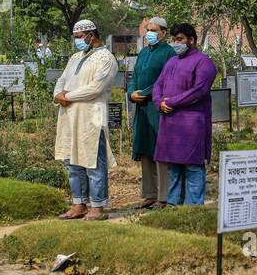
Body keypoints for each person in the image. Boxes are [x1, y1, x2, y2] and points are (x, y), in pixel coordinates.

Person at [53, 19, 118, 220]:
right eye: (76, 38)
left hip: (91, 116)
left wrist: (67, 96)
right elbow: (62, 80)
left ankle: (98, 206)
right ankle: (78, 203)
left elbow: (96, 88)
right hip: (69, 116)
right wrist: (57, 95)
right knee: (72, 161)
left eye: (80, 37)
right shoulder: (75, 57)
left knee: (93, 162)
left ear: (91, 35)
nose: (78, 41)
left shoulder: (106, 59)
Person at [152, 23, 217, 206]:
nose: (176, 43)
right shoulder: (171, 61)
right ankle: (173, 207)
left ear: (192, 40)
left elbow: (199, 91)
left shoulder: (204, 62)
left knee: (193, 167)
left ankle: (194, 210)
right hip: (170, 124)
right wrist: (159, 102)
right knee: (173, 168)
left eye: (179, 39)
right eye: (174, 39)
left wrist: (171, 102)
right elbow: (158, 85)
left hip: (191, 125)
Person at [126, 16, 173, 209]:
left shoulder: (169, 53)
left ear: (164, 33)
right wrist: (131, 93)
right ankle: (149, 194)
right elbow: (134, 77)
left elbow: (166, 80)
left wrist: (144, 94)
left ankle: (164, 196)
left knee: (159, 150)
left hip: (157, 107)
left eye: (154, 30)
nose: (149, 34)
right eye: (148, 30)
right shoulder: (143, 52)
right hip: (141, 109)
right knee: (145, 150)